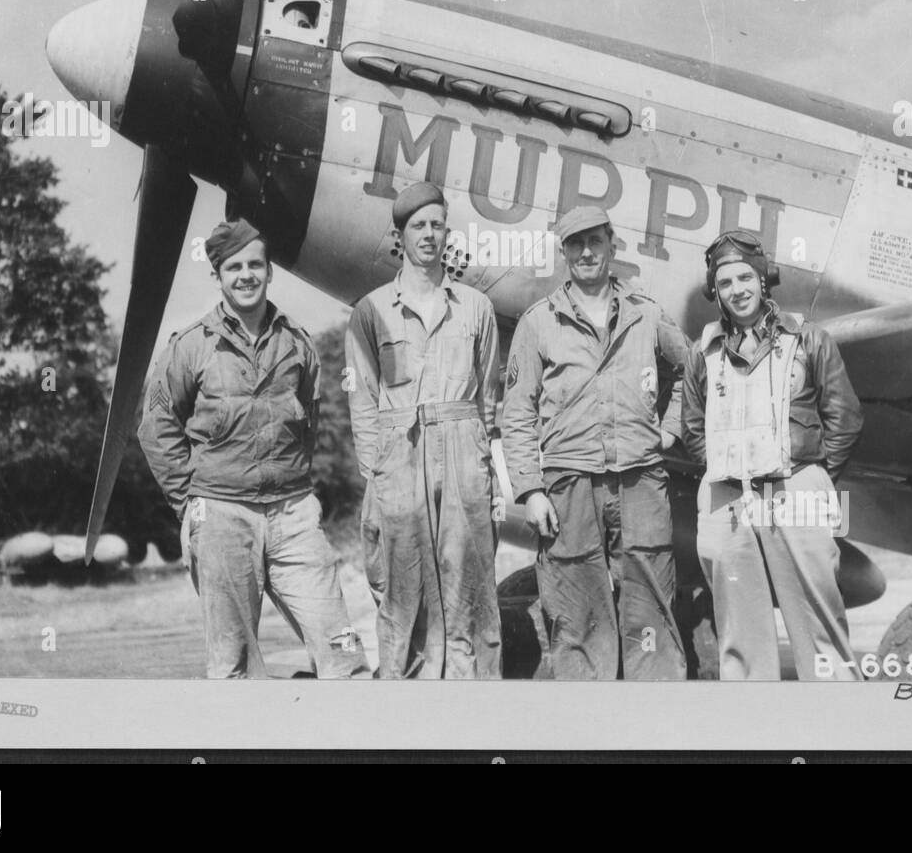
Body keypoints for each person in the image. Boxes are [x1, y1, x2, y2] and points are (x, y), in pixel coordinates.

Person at [139, 219, 369, 680]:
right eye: (234, 267)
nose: (246, 275)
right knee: (233, 665)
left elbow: (309, 418)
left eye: (255, 266)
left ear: (269, 272)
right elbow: (156, 426)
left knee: (343, 650)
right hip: (220, 515)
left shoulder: (299, 343)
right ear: (218, 276)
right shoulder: (190, 346)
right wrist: (191, 503)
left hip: (293, 515)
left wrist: (299, 490)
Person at [502, 206, 690, 680]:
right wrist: (530, 489)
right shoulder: (538, 322)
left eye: (595, 241)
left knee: (651, 608)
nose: (586, 252)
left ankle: (657, 730)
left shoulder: (647, 315)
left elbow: (694, 373)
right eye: (575, 244)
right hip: (569, 484)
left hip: (641, 479)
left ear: (611, 243)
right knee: (576, 615)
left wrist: (669, 429)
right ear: (564, 252)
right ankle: (588, 730)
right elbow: (518, 411)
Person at [679, 229, 864, 681]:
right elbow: (692, 427)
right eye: (725, 283)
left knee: (820, 625)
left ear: (763, 282)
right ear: (715, 292)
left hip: (795, 490)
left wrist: (812, 478)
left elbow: (845, 418)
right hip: (727, 499)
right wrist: (727, 467)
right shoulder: (703, 352)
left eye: (745, 278)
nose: (737, 290)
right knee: (739, 637)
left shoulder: (810, 339)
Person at [345, 182, 502, 679]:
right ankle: (407, 703)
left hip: (461, 444)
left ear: (447, 233)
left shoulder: (476, 306)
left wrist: (480, 461)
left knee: (468, 575)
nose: (429, 234)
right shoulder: (370, 311)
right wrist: (379, 471)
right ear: (401, 236)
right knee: (401, 582)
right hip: (399, 452)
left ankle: (472, 693)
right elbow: (362, 399)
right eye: (418, 226)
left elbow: (488, 394)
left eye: (437, 224)